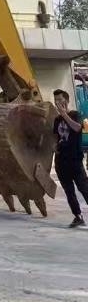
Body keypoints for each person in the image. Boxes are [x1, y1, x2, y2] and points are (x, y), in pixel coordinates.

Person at [53, 89, 88, 228]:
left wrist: (64, 115)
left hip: (75, 160)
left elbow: (77, 128)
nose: (57, 103)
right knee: (69, 191)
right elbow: (56, 136)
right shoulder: (57, 120)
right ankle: (78, 216)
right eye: (55, 100)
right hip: (61, 161)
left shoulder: (75, 114)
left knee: (84, 188)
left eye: (60, 99)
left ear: (66, 101)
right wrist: (54, 147)